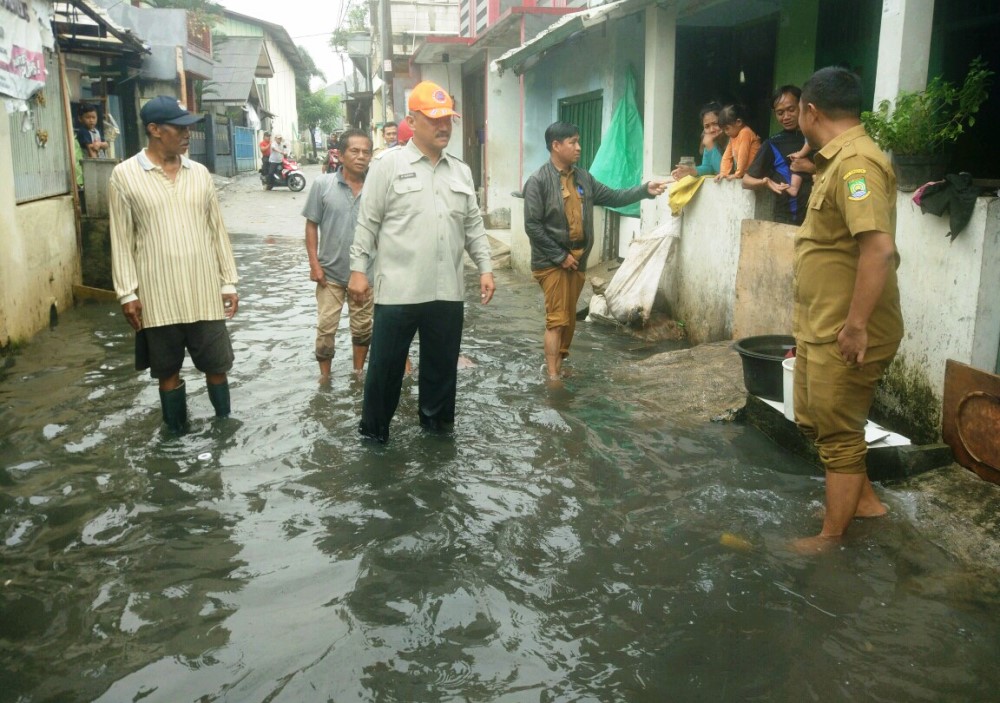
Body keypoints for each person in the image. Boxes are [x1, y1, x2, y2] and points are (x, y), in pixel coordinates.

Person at [791, 67, 904, 553]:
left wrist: (856, 327)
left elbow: (878, 249)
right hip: (821, 325)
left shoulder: (857, 165)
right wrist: (814, 163)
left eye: (796, 109)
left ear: (810, 111)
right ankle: (864, 504)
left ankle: (831, 539)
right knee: (813, 420)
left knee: (838, 431)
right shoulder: (837, 162)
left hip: (846, 329)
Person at [348, 80, 495, 442]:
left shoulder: (460, 170)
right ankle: (374, 437)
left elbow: (473, 224)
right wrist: (357, 271)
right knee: (384, 370)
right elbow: (368, 220)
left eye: (447, 118)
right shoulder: (388, 165)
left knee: (442, 372)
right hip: (399, 290)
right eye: (434, 119)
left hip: (447, 291)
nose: (444, 126)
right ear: (412, 121)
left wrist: (486, 267)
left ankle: (437, 437)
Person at [108, 96, 239, 432]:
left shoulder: (200, 174)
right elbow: (121, 240)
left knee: (217, 366)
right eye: (179, 128)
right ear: (154, 130)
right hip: (157, 296)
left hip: (204, 291)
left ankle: (224, 430)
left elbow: (217, 231)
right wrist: (127, 293)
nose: (187, 135)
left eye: (189, 128)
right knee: (167, 372)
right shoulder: (124, 176)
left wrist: (228, 282)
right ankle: (176, 436)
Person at [523, 121, 668, 381]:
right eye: (572, 142)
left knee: (569, 318)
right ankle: (553, 377)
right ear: (556, 146)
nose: (579, 147)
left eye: (578, 141)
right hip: (552, 263)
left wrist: (644, 190)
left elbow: (613, 196)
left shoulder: (583, 178)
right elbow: (532, 226)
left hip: (577, 261)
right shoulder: (538, 181)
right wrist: (559, 256)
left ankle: (559, 364)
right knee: (557, 320)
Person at [302, 128, 374, 381]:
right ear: (341, 155)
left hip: (366, 274)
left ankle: (358, 373)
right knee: (325, 329)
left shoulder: (377, 187)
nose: (360, 157)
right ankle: (325, 378)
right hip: (329, 274)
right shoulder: (323, 184)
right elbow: (311, 224)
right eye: (354, 151)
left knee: (363, 328)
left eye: (366, 152)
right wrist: (314, 264)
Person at [742, 86, 815, 225]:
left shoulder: (817, 138)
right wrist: (765, 181)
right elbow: (746, 181)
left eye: (791, 110)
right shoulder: (773, 143)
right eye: (780, 113)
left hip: (819, 219)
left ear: (802, 106)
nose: (786, 117)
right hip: (787, 220)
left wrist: (811, 168)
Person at [671, 101, 727, 179]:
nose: (712, 129)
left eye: (715, 124)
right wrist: (691, 171)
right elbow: (708, 168)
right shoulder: (710, 141)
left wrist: (711, 146)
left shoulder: (733, 140)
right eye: (707, 126)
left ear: (724, 122)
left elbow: (724, 172)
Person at [714, 104, 761, 181]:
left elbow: (743, 155)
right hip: (747, 174)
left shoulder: (745, 132)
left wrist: (738, 174)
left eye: (727, 128)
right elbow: (727, 156)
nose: (726, 132)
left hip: (755, 173)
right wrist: (723, 173)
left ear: (738, 122)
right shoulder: (733, 137)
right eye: (724, 129)